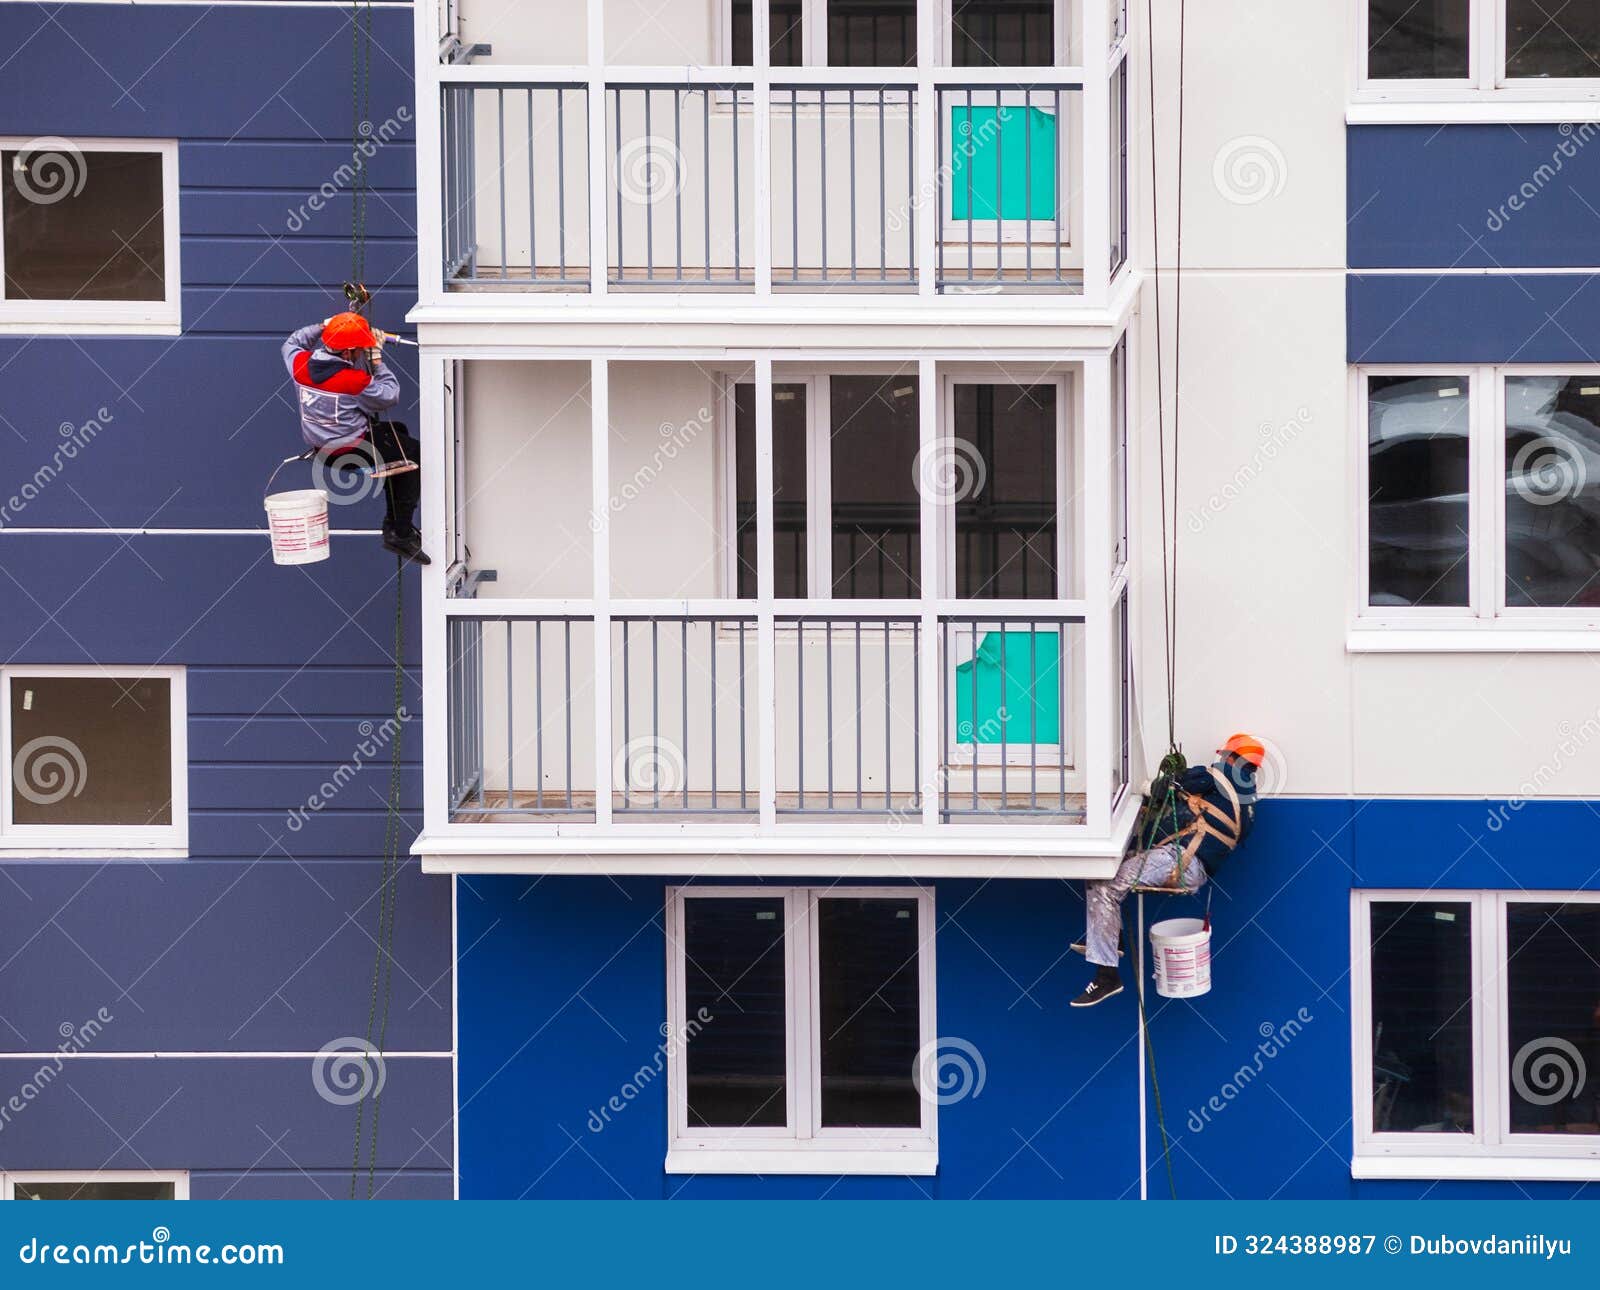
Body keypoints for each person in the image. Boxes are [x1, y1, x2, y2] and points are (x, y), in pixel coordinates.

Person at [1070, 733, 1265, 1008]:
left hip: (1179, 860)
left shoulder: (1218, 776)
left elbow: (1164, 788)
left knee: (1105, 886)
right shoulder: (1248, 802)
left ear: (1232, 758)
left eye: (1224, 756)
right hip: (1190, 866)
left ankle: (1107, 976)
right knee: (1103, 870)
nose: (1220, 759)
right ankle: (1111, 939)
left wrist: (1156, 784)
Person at [282, 312, 429, 565]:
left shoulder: (300, 365)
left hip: (323, 449)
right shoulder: (352, 381)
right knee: (413, 454)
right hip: (351, 453)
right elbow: (389, 395)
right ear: (348, 353)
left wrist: (324, 325)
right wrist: (376, 360)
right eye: (360, 350)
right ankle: (400, 532)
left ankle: (394, 521)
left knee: (398, 431)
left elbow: (292, 342)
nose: (362, 353)